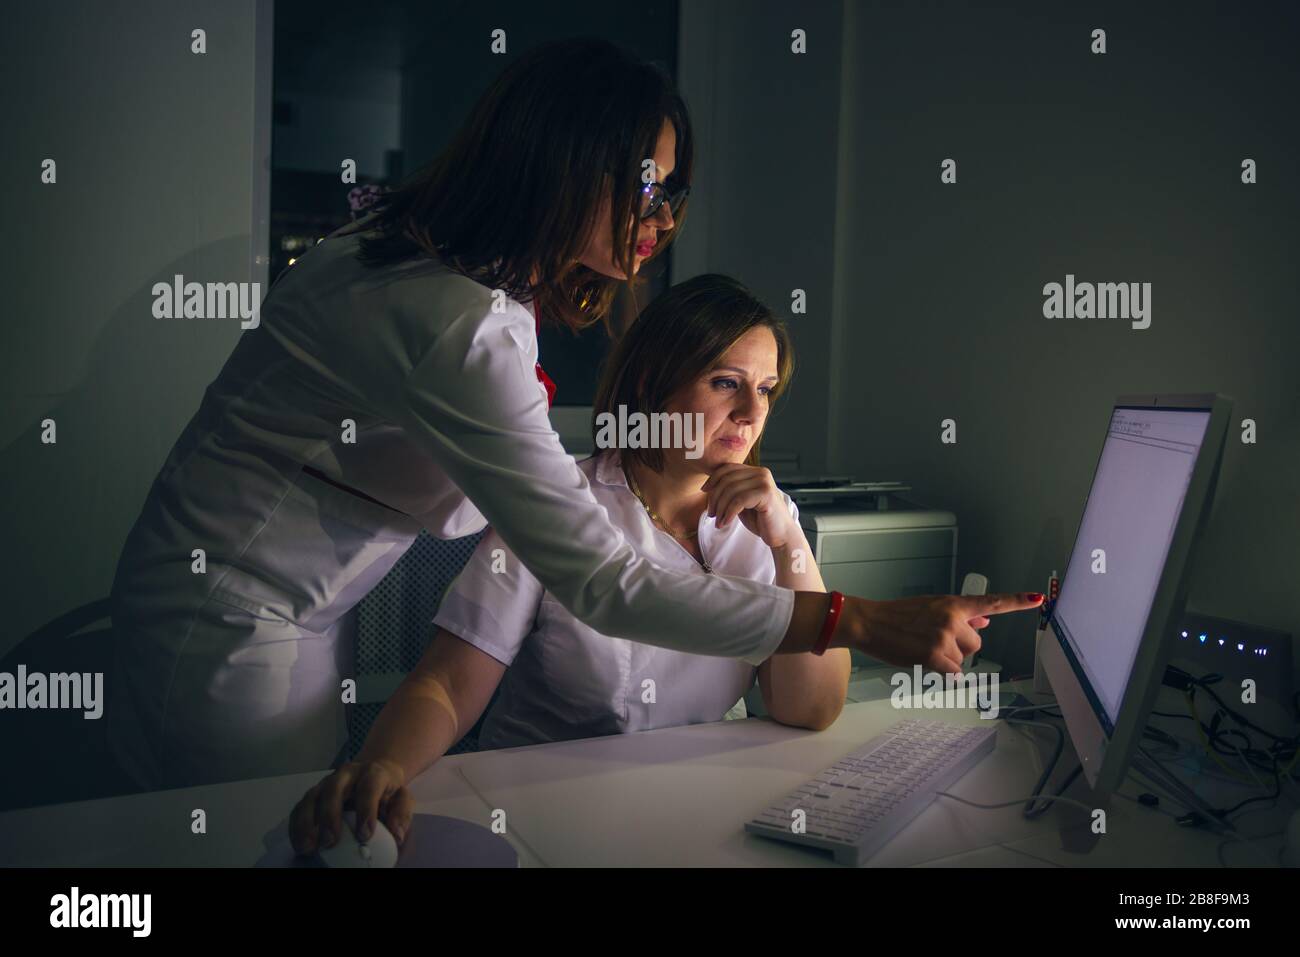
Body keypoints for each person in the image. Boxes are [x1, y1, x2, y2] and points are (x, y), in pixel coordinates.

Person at [108, 37, 1042, 791]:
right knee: (267, 837)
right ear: (559, 165)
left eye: (670, 193)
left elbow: (807, 708)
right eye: (642, 184)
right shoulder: (451, 321)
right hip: (233, 618)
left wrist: (800, 558)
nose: (659, 215)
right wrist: (864, 620)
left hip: (288, 606)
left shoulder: (456, 287)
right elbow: (591, 585)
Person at [290, 274, 855, 851]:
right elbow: (450, 682)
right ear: (652, 383)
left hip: (691, 807)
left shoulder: (768, 518)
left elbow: (809, 708)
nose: (750, 411)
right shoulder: (562, 502)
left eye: (766, 389)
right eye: (726, 382)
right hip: (542, 807)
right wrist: (384, 765)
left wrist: (790, 547)